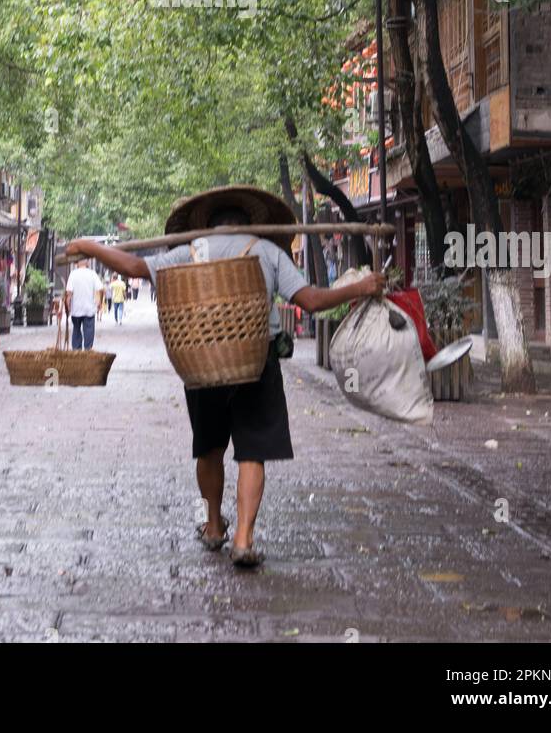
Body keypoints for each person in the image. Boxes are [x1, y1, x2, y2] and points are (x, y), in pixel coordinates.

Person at [67, 184, 385, 570]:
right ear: (249, 225)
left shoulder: (189, 251)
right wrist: (362, 288)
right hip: (255, 360)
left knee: (208, 449)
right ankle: (243, 538)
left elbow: (135, 267)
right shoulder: (266, 251)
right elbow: (310, 301)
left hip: (201, 360)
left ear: (210, 226)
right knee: (253, 451)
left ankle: (214, 525)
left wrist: (89, 246)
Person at [64, 258, 101, 350]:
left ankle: (77, 351)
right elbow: (99, 289)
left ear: (77, 263)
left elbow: (69, 292)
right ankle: (88, 350)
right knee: (89, 331)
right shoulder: (92, 274)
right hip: (89, 309)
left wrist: (67, 306)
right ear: (87, 262)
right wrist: (99, 303)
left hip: (76, 308)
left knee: (76, 329)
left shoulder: (73, 274)